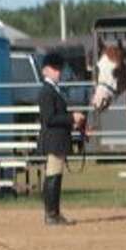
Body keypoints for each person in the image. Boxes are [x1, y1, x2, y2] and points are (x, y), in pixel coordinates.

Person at [37, 51, 86, 226]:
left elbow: (56, 117)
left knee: (55, 176)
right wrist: (72, 118)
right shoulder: (47, 92)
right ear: (45, 71)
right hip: (53, 141)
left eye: (59, 69)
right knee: (53, 177)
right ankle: (52, 214)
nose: (58, 72)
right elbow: (49, 119)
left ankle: (53, 213)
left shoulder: (54, 91)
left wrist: (73, 123)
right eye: (54, 68)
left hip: (58, 139)